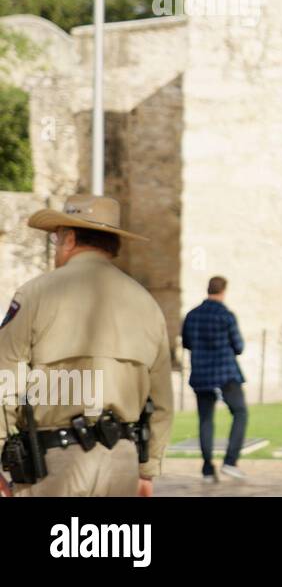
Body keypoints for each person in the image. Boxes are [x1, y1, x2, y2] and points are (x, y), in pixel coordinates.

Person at [0, 194, 174, 496]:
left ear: (69, 239)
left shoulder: (34, 295)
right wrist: (148, 468)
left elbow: (4, 380)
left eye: (56, 239)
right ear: (112, 244)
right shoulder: (147, 304)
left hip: (53, 463)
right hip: (122, 460)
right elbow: (162, 403)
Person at [181, 276, 249, 483]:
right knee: (240, 413)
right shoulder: (226, 315)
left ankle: (208, 469)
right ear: (223, 291)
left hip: (202, 375)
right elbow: (238, 346)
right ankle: (230, 461)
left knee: (205, 420)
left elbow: (187, 343)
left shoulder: (192, 315)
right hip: (225, 374)